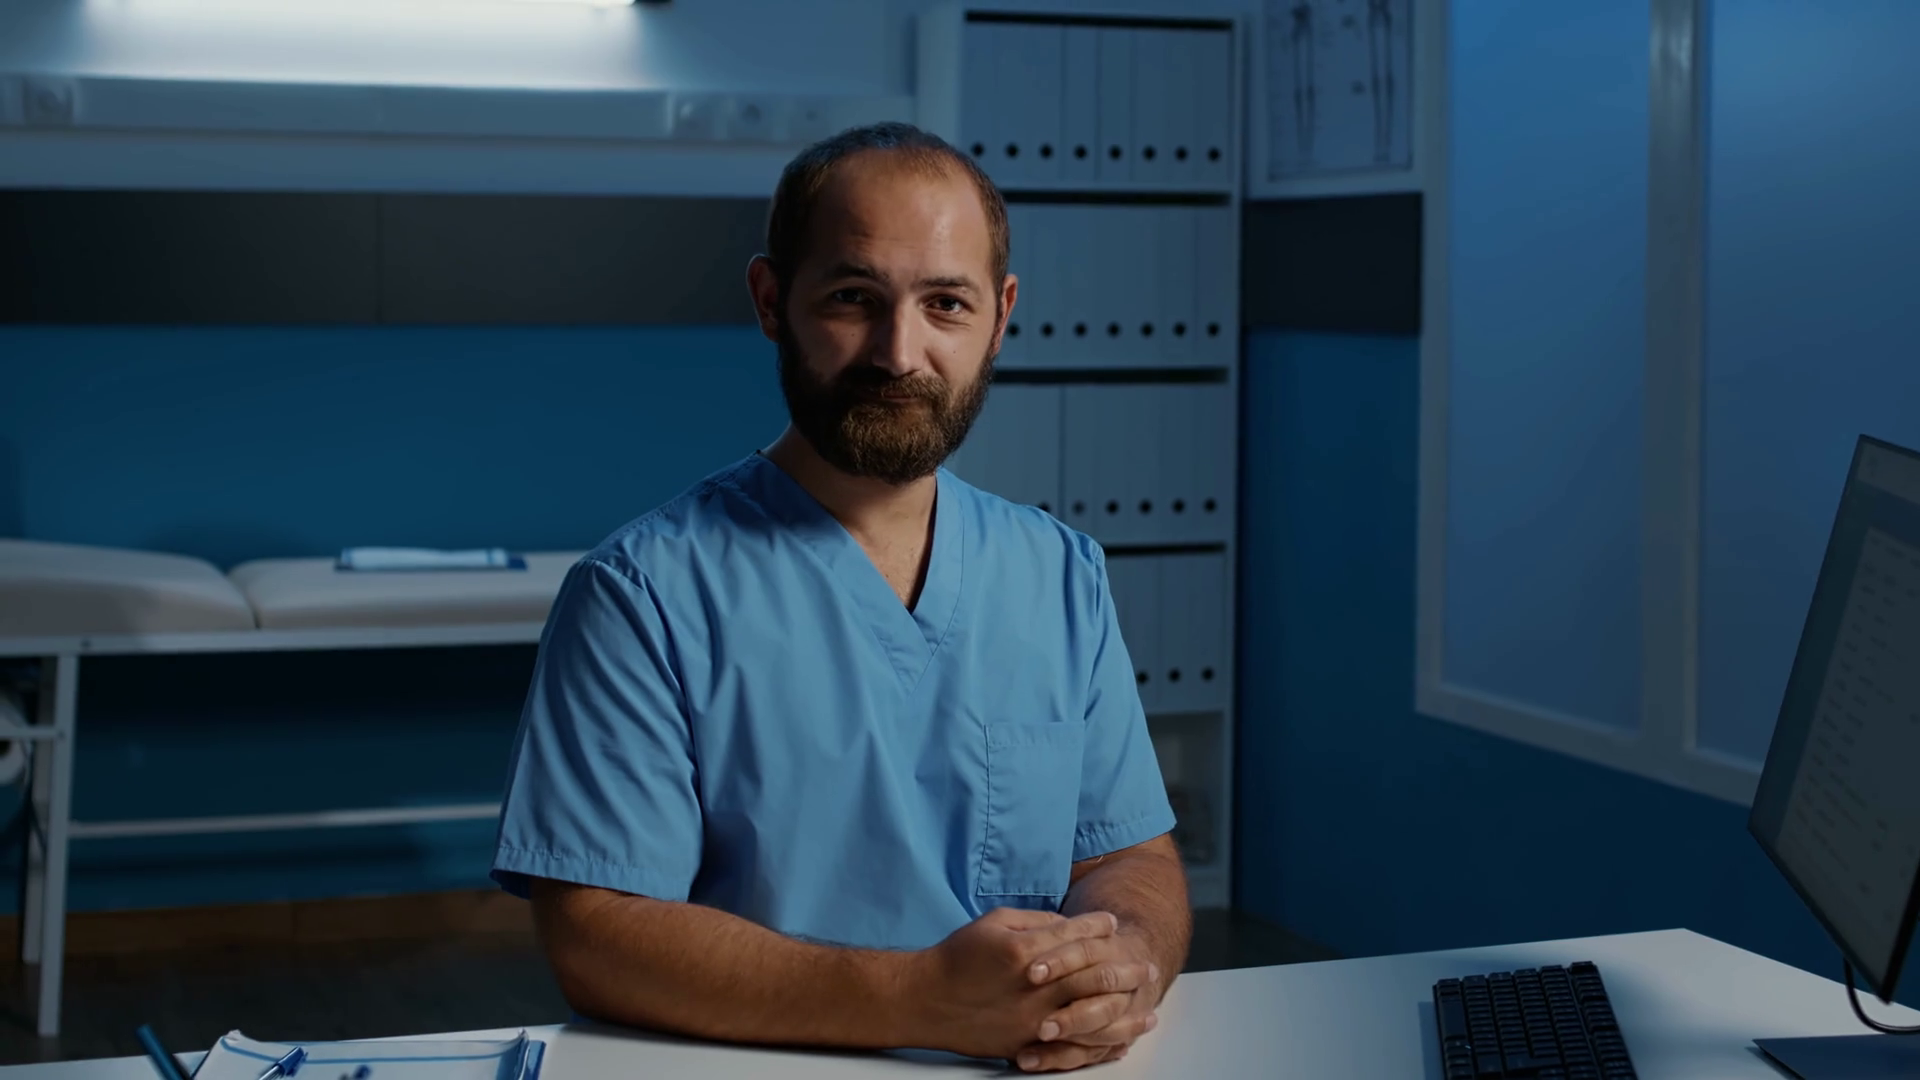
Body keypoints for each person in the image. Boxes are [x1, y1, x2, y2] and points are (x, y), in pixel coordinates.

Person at [491, 122, 1190, 1073]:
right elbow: (598, 935)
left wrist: (1130, 964)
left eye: (946, 303)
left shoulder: (1058, 573)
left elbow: (1128, 858)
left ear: (1000, 316)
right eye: (854, 298)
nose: (898, 353)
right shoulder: (641, 595)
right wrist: (920, 1002)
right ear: (772, 301)